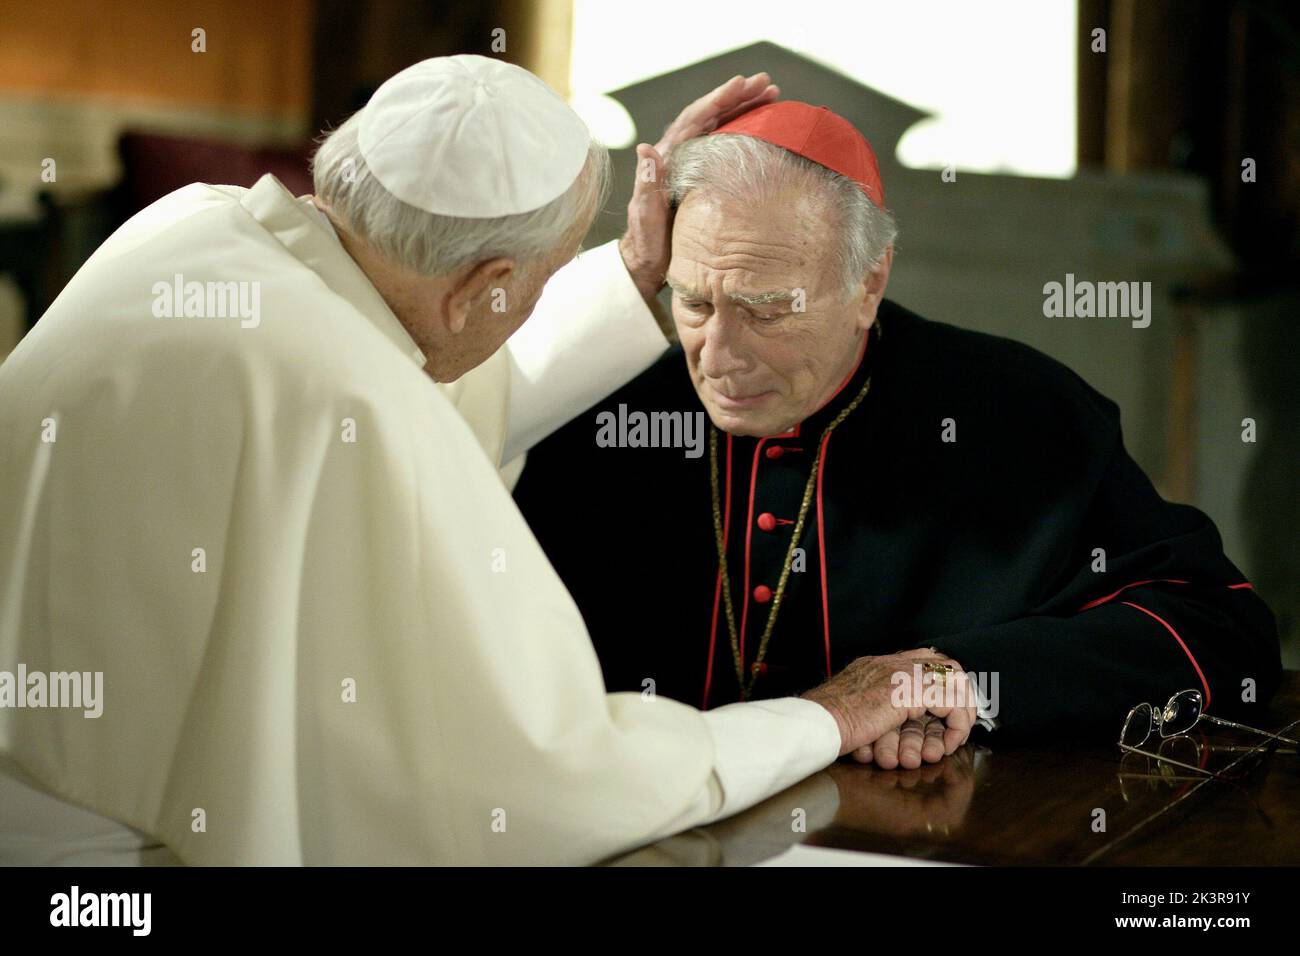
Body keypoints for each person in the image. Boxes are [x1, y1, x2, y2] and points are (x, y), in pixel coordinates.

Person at [0, 58, 975, 866]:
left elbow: (415, 384)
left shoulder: (199, 231)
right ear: (484, 287)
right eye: (546, 277)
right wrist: (819, 716)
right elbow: (542, 780)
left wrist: (634, 271)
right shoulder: (350, 397)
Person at [514, 100, 1284, 758]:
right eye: (692, 302)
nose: (717, 356)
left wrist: (956, 676)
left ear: (868, 280)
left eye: (766, 308)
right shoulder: (595, 406)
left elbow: (1217, 626)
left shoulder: (1013, 411)